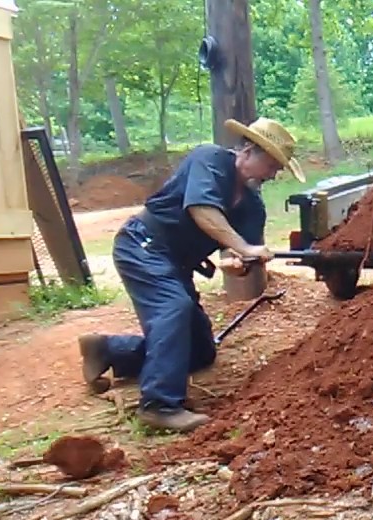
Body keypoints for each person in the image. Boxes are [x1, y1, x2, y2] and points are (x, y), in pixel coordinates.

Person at [76, 117, 306, 433]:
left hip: (176, 265)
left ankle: (110, 350)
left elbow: (243, 255)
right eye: (271, 164)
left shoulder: (252, 206)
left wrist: (243, 264)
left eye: (278, 168)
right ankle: (159, 404)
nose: (274, 173)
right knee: (174, 309)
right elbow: (202, 210)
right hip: (143, 245)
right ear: (249, 151)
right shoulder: (209, 159)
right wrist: (244, 248)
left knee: (200, 350)